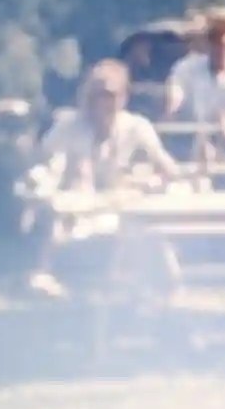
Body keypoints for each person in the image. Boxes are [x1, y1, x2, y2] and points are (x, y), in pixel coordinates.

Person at [28, 60, 181, 297]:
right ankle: (44, 273)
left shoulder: (136, 126)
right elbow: (47, 163)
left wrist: (148, 179)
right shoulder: (69, 125)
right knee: (57, 214)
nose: (105, 102)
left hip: (122, 202)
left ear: (124, 97)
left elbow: (169, 169)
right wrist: (58, 177)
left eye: (111, 94)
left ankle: (166, 289)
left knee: (149, 226)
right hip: (78, 203)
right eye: (98, 94)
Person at [163, 7, 225, 125]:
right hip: (189, 138)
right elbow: (174, 98)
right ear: (207, 39)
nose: (222, 42)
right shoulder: (186, 68)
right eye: (215, 36)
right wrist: (173, 106)